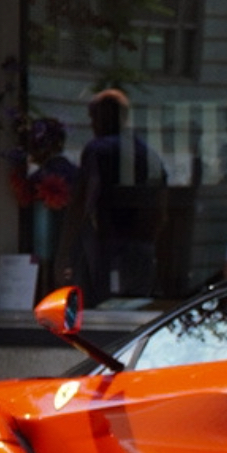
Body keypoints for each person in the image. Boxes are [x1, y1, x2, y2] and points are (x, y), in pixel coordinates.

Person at [68, 88, 167, 304]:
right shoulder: (147, 153)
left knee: (102, 307)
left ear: (104, 117)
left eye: (93, 117)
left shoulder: (98, 150)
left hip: (108, 246)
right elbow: (161, 207)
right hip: (143, 246)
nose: (91, 124)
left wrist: (67, 250)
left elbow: (84, 202)